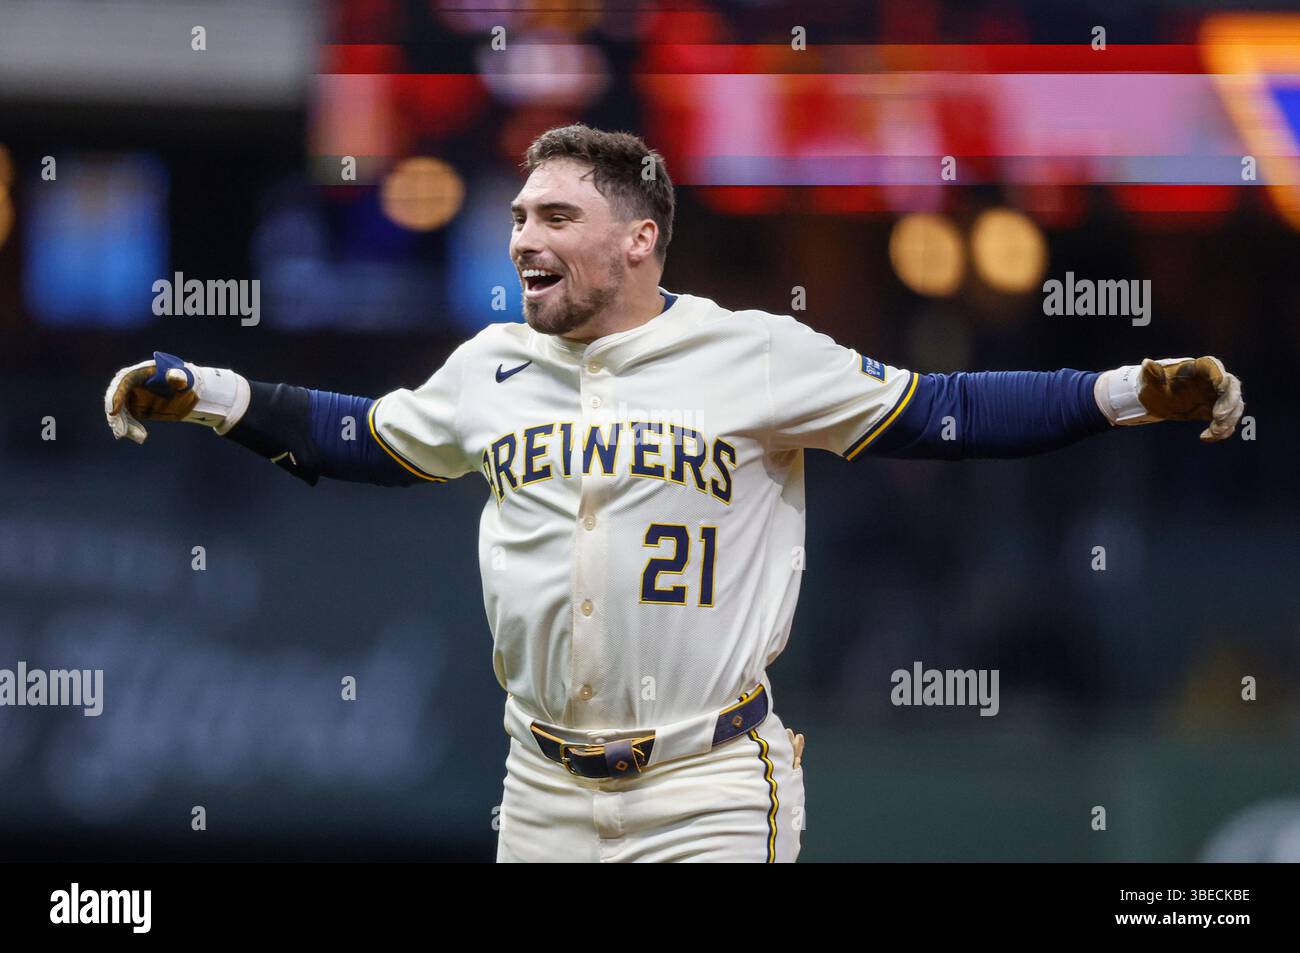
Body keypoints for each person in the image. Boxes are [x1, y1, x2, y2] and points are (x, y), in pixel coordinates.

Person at [104, 123, 1245, 863]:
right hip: (540, 785)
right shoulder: (489, 367)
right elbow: (364, 440)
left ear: (639, 237)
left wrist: (1124, 390)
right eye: (519, 218)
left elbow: (946, 411)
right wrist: (213, 392)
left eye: (556, 217)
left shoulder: (752, 353)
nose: (523, 239)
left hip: (704, 785)